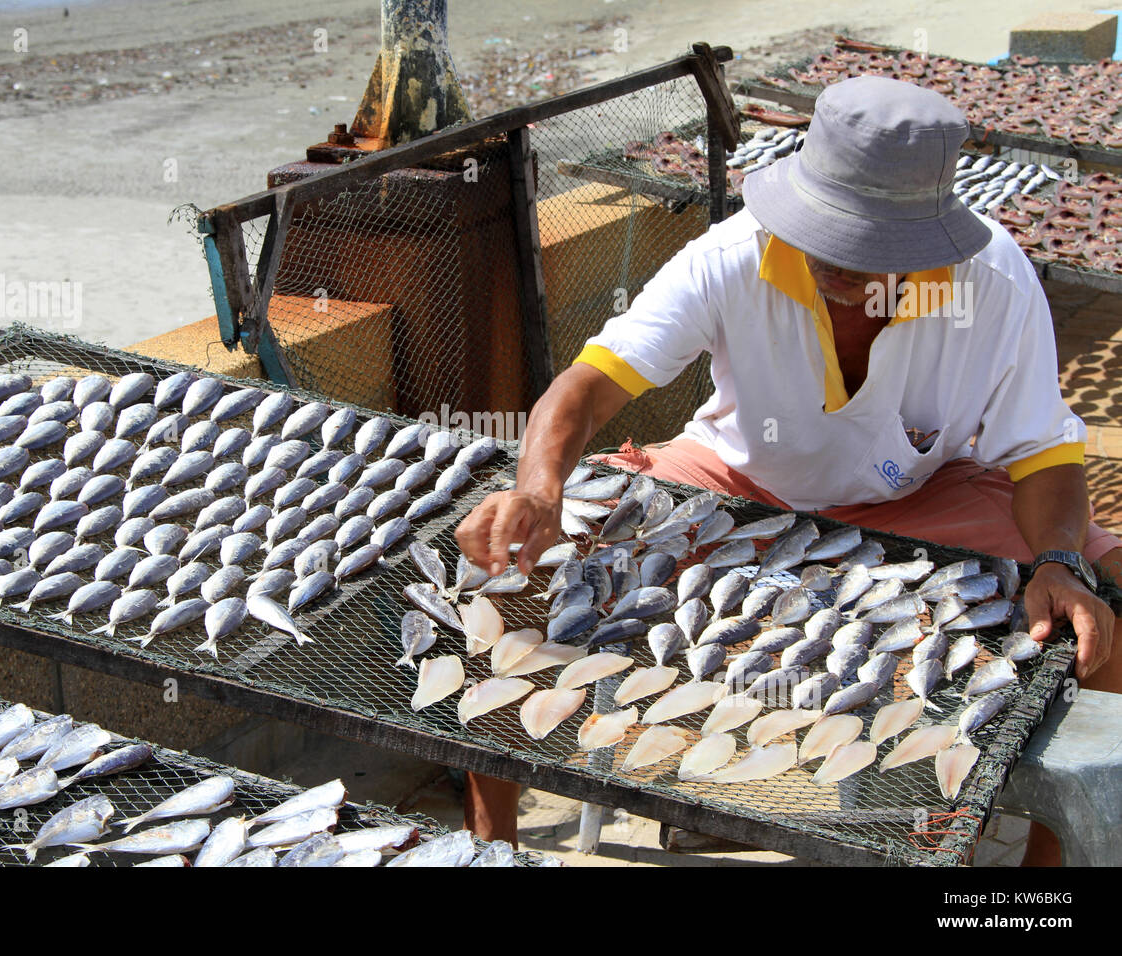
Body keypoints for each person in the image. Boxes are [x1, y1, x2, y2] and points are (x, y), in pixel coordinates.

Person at [454, 75, 1120, 865]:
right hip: (735, 482)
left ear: (924, 242)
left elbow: (1044, 452)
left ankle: (1041, 874)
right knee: (508, 570)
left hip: (920, 493)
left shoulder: (995, 284)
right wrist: (536, 488)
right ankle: (489, 840)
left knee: (1101, 613)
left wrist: (1058, 562)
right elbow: (589, 387)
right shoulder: (732, 256)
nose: (837, 262)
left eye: (866, 246)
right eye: (825, 233)